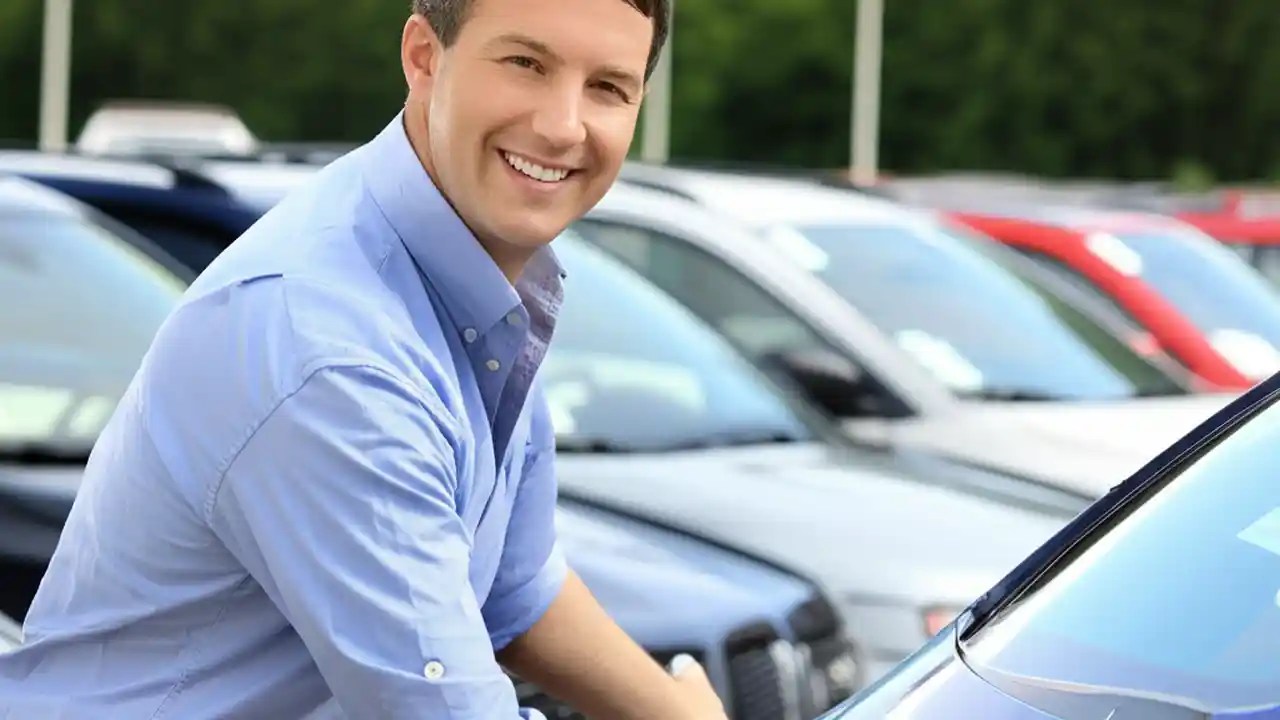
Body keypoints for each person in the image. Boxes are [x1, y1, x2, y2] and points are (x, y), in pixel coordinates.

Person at [0, 0, 728, 718]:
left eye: (607, 86)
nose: (564, 125)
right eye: (525, 63)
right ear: (423, 57)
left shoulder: (469, 284)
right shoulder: (331, 349)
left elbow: (515, 588)